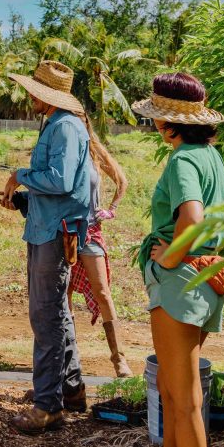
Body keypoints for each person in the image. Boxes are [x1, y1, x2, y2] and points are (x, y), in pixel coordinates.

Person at [132, 73, 224, 447]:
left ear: (167, 123)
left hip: (181, 283)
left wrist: (177, 255)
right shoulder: (210, 156)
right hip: (202, 282)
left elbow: (193, 218)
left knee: (187, 402)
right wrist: (215, 254)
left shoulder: (182, 160)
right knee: (171, 386)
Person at [0, 60, 94, 435]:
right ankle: (70, 390)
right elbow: (57, 190)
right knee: (55, 312)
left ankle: (48, 406)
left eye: (33, 91)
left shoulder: (66, 127)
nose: (28, 97)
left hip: (55, 234)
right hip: (47, 228)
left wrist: (19, 175)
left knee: (46, 315)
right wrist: (24, 200)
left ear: (46, 96)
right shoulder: (55, 125)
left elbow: (61, 180)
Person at [70, 136, 134, 376]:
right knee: (63, 294)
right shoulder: (60, 148)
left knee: (103, 293)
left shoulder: (93, 151)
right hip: (63, 231)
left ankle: (119, 359)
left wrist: (111, 209)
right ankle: (71, 358)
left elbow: (121, 180)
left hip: (90, 231)